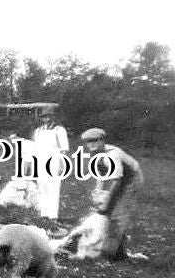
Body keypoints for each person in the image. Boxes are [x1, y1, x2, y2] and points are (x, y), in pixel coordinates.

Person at [80, 128, 144, 259]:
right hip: (120, 179)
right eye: (88, 142)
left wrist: (107, 202)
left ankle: (108, 254)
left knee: (118, 214)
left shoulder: (112, 154)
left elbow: (117, 182)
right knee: (107, 212)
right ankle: (120, 251)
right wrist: (99, 198)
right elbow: (100, 175)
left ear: (102, 140)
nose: (91, 144)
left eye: (95, 141)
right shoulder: (95, 154)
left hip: (131, 179)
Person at [32, 106, 69, 220]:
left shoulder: (59, 130)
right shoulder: (38, 131)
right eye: (44, 117)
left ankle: (53, 216)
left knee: (53, 188)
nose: (47, 119)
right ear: (42, 118)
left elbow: (64, 149)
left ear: (53, 117)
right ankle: (44, 214)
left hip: (54, 162)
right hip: (40, 162)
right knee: (42, 188)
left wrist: (63, 164)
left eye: (49, 116)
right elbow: (35, 148)